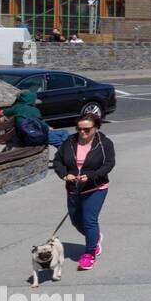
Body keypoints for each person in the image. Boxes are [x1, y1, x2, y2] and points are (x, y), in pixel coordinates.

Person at [52, 113, 114, 270]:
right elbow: (58, 160)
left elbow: (108, 164)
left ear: (96, 127)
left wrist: (92, 176)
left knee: (89, 219)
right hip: (73, 188)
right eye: (79, 129)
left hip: (96, 187)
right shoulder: (70, 141)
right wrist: (65, 174)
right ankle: (95, 237)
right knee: (76, 221)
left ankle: (89, 254)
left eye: (87, 129)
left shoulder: (104, 143)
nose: (82, 133)